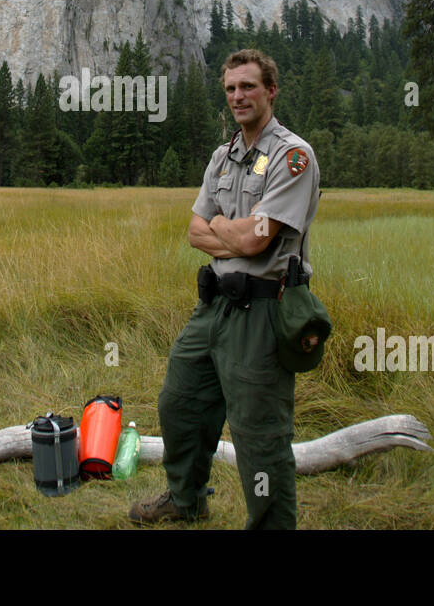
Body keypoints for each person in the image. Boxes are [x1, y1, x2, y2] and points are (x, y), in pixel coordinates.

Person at [129, 48, 320, 529]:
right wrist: (226, 230)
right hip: (212, 305)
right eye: (232, 88)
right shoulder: (223, 156)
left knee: (259, 435)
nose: (239, 96)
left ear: (270, 91)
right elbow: (193, 232)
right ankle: (186, 499)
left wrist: (218, 224)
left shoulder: (292, 156)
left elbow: (258, 241)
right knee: (180, 402)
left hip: (262, 311)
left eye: (249, 86)